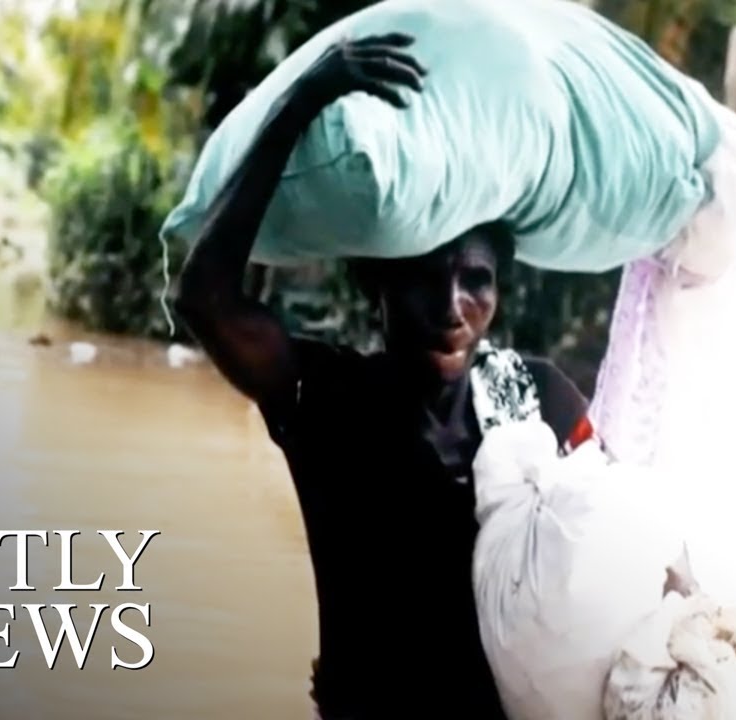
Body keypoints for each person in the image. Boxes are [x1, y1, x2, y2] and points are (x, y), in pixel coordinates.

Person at [174, 33, 591, 719]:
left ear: (499, 291)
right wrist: (303, 101)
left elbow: (615, 548)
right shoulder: (325, 400)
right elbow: (204, 299)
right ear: (378, 285)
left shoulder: (540, 401)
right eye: (427, 280)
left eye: (476, 282)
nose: (453, 309)